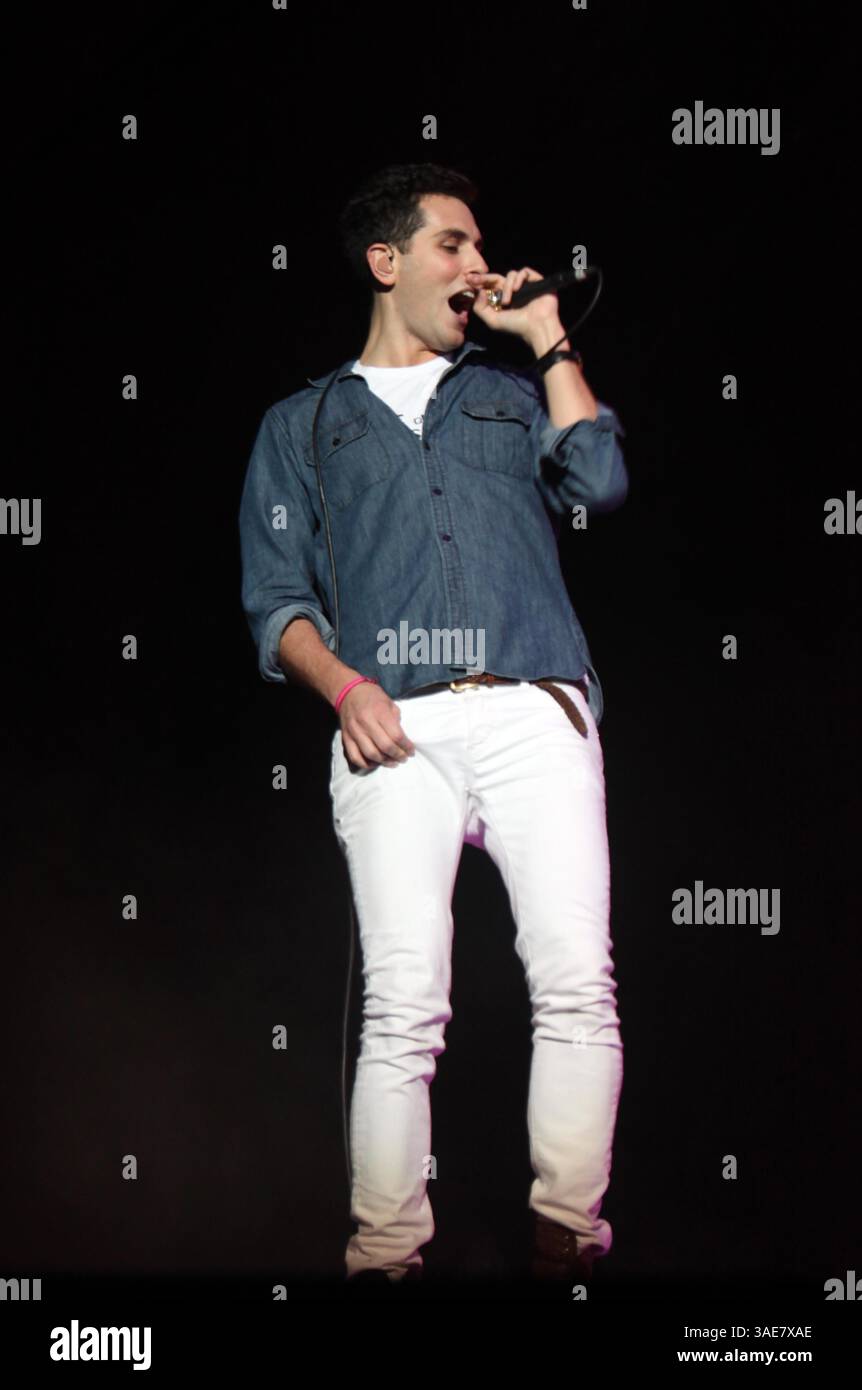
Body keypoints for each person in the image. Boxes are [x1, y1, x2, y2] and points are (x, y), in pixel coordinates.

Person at [238, 163, 628, 1292]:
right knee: (405, 1000)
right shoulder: (304, 423)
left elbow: (598, 482)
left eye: (478, 249)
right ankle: (385, 1257)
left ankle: (567, 1240)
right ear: (386, 261)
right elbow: (277, 601)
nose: (475, 267)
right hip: (389, 722)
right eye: (451, 245)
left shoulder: (508, 393)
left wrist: (546, 332)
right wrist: (346, 690)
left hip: (532, 705)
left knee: (574, 979)